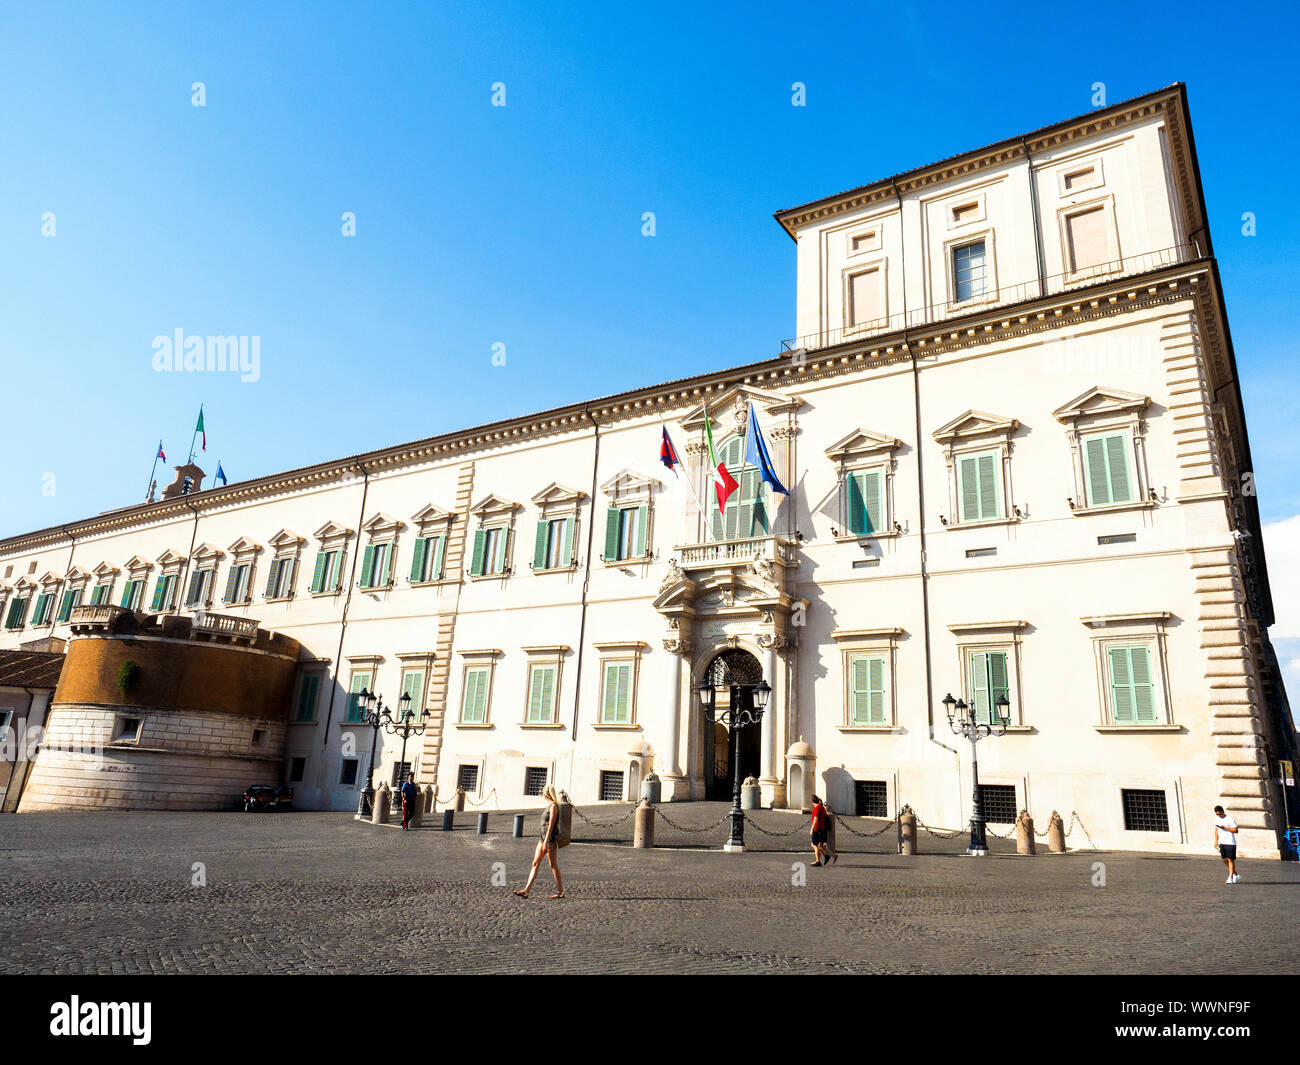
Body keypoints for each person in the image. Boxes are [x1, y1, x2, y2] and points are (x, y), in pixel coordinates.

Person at [514, 784, 565, 899]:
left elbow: (551, 824)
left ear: (546, 793)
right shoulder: (549, 806)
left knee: (553, 865)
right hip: (542, 839)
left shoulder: (553, 806)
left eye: (543, 792)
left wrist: (546, 841)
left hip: (549, 840)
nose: (542, 794)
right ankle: (526, 890)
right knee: (535, 863)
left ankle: (560, 891)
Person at [1213, 805, 1240, 884]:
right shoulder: (1216, 820)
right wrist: (1216, 841)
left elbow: (1236, 830)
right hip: (1222, 842)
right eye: (1217, 814)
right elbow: (1216, 830)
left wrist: (1225, 828)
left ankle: (1230, 877)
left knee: (1230, 860)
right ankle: (1235, 874)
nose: (1219, 816)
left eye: (1220, 814)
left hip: (1230, 842)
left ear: (1222, 811)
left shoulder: (1230, 819)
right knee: (1224, 860)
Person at [810, 795, 834, 866]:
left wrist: (812, 829)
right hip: (822, 829)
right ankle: (831, 855)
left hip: (817, 829)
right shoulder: (822, 808)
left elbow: (815, 819)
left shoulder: (817, 808)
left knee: (814, 845)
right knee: (821, 846)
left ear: (812, 802)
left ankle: (818, 861)